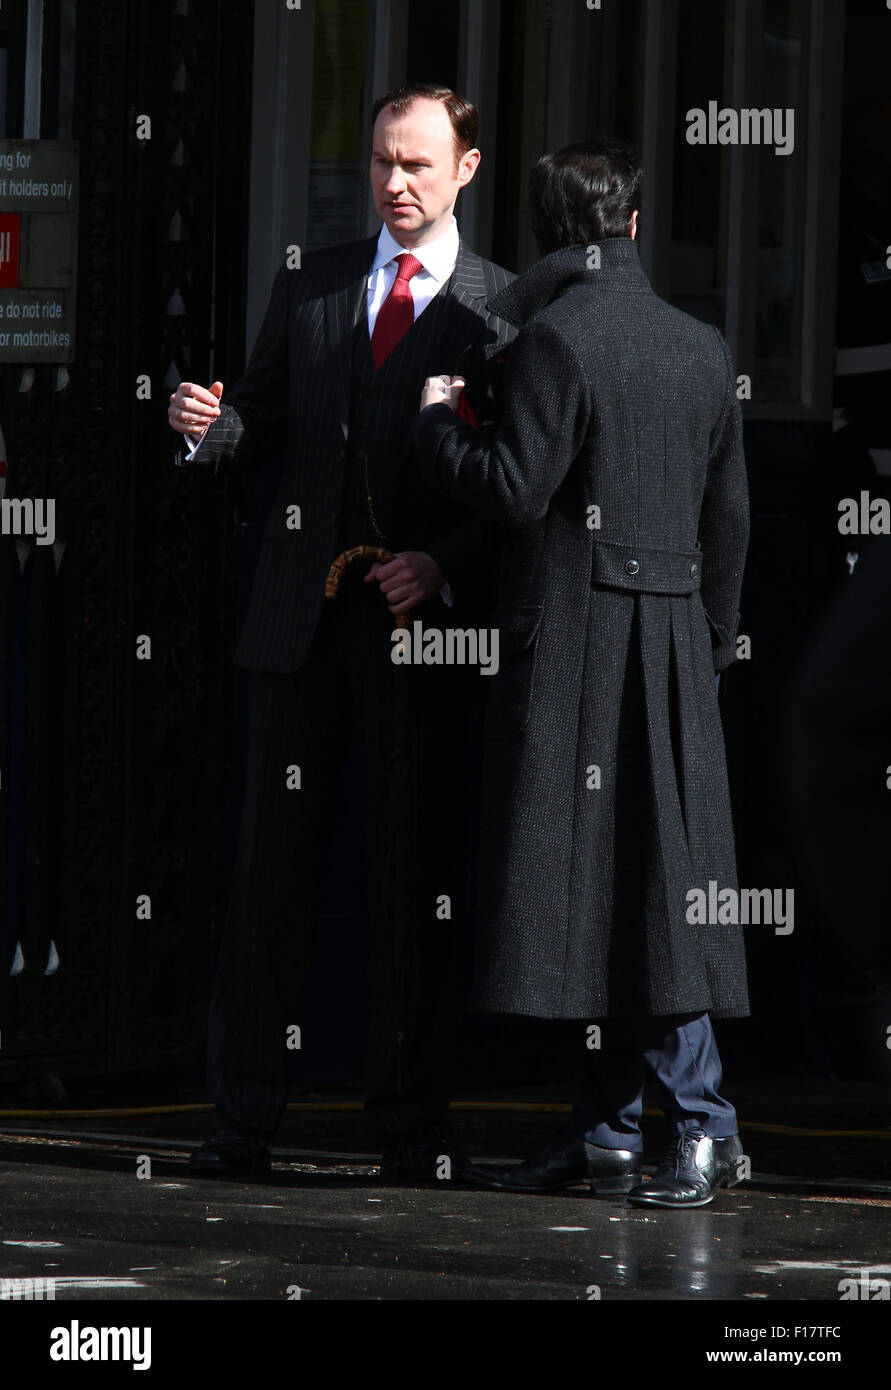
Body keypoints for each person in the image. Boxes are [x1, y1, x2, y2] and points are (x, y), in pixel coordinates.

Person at [168, 85, 515, 1179]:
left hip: (418, 636)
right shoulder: (313, 284)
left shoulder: (503, 308)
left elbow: (522, 482)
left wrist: (445, 562)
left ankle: (410, 1127)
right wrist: (208, 428)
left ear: (465, 169)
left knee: (412, 879)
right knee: (270, 873)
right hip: (297, 623)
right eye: (379, 162)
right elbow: (257, 422)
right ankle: (245, 1115)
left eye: (416, 164)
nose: (394, 184)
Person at [411, 140, 751, 1207]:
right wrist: (710, 646)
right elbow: (729, 521)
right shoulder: (703, 348)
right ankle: (608, 1133)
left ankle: (700, 1125)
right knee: (649, 888)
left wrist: (432, 427)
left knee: (629, 895)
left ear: (551, 231)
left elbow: (514, 491)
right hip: (671, 642)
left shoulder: (554, 340)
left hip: (580, 644)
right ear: (633, 225)